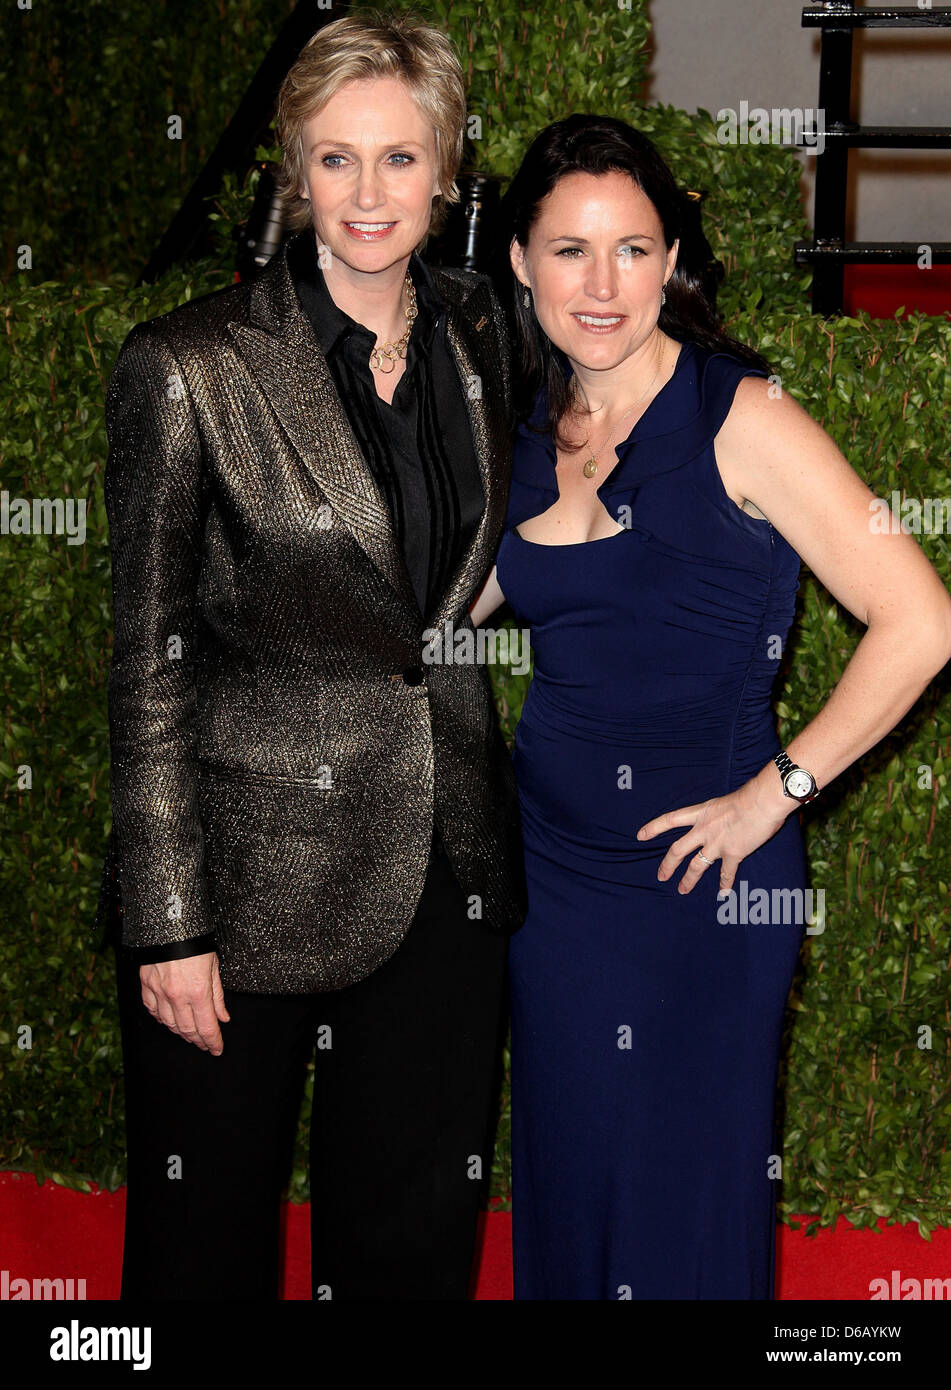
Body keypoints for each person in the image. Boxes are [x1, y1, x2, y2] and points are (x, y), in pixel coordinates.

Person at [470, 114, 951, 1300]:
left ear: (673, 259)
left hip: (712, 884)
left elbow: (922, 619)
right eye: (569, 250)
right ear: (520, 262)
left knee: (686, 1197)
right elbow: (445, 609)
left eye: (634, 249)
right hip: (554, 878)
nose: (602, 285)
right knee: (573, 1178)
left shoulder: (742, 417)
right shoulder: (525, 430)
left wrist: (772, 795)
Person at [95, 9, 527, 1301]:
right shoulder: (188, 367)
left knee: (409, 1239)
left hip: (445, 859)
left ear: (445, 165)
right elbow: (146, 659)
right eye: (334, 159)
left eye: (397, 158)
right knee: (201, 1242)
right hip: (245, 879)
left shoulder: (480, 331)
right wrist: (169, 920)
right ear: (293, 166)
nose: (366, 194)